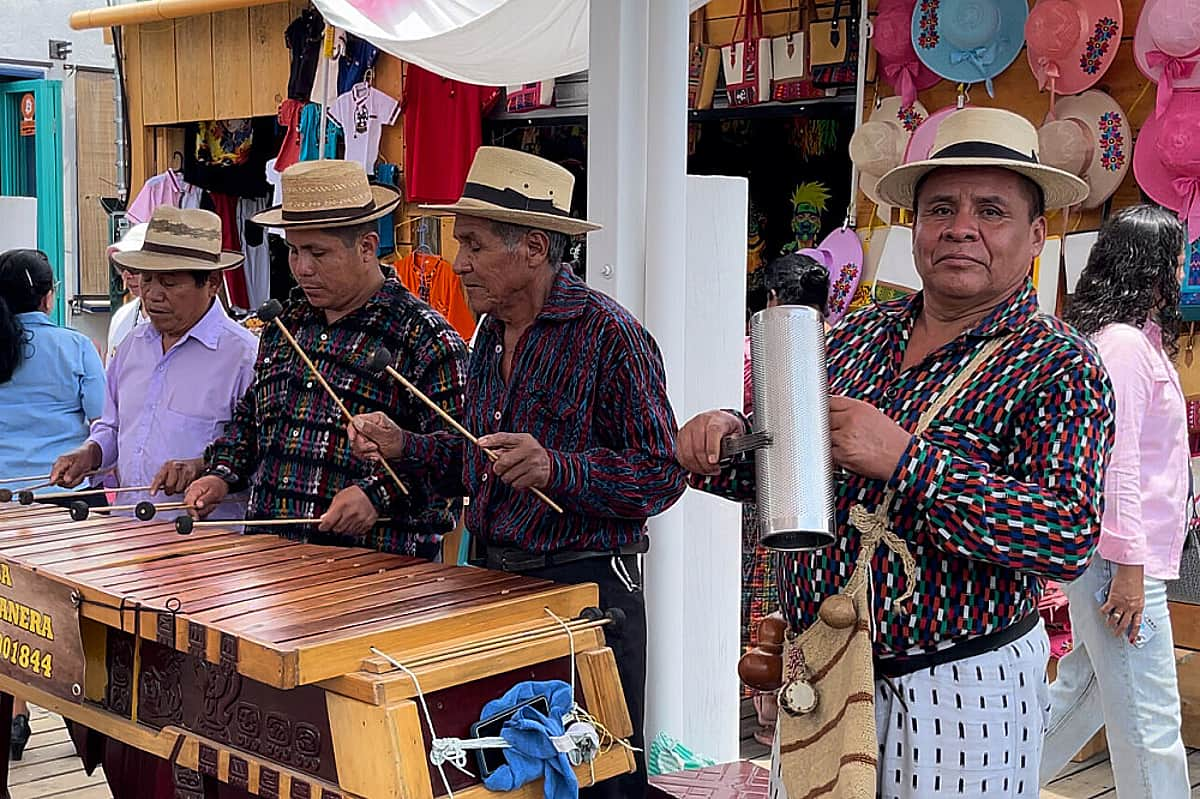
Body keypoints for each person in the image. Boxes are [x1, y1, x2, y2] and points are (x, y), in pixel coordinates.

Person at [679, 108, 1115, 798]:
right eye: (940, 206)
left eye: (991, 210)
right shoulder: (854, 336)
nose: (961, 226)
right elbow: (781, 464)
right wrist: (723, 437)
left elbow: (1063, 535)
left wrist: (906, 459)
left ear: (1036, 235)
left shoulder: (1059, 363)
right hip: (822, 666)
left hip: (963, 680)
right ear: (915, 228)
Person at [344, 146, 689, 798]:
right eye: (459, 243)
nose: (458, 262)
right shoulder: (487, 335)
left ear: (533, 247)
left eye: (472, 244)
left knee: (599, 775)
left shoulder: (610, 334)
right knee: (514, 777)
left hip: (586, 590)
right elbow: (475, 462)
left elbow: (662, 473)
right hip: (496, 580)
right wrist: (404, 445)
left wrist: (558, 469)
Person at [183, 158, 468, 561]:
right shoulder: (286, 325)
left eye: (318, 253)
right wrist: (221, 473)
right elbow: (253, 418)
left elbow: (460, 460)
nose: (301, 268)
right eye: (294, 251)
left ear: (367, 247)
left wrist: (377, 495)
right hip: (270, 566)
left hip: (374, 576)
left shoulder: (426, 338)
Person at [1040, 205, 1192, 797]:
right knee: (1151, 721)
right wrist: (1129, 568)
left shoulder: (1132, 342)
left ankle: (991, 781)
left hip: (1120, 559)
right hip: (1120, 562)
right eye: (1175, 258)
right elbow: (1116, 460)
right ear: (1151, 267)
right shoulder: (1124, 347)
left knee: (1084, 695)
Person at [50, 207, 259, 520]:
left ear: (212, 282)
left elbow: (256, 452)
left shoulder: (244, 357)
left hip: (204, 543)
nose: (153, 294)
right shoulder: (132, 346)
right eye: (147, 280)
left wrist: (202, 468)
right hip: (127, 533)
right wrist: (90, 452)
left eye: (170, 283)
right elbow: (113, 425)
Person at [0, 248, 105, 760]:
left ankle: (14, 711)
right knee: (67, 615)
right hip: (64, 504)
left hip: (2, 503)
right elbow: (104, 422)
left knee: (6, 614)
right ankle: (78, 716)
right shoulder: (76, 347)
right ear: (50, 294)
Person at [742, 253, 830, 747]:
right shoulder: (842, 347)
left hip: (779, 505)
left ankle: (770, 717)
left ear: (772, 299)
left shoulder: (769, 351)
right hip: (805, 511)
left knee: (771, 615)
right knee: (785, 613)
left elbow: (762, 434)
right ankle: (777, 715)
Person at [106, 223, 149, 362]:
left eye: (135, 268)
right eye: (121, 267)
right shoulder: (121, 317)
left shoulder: (180, 318)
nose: (126, 275)